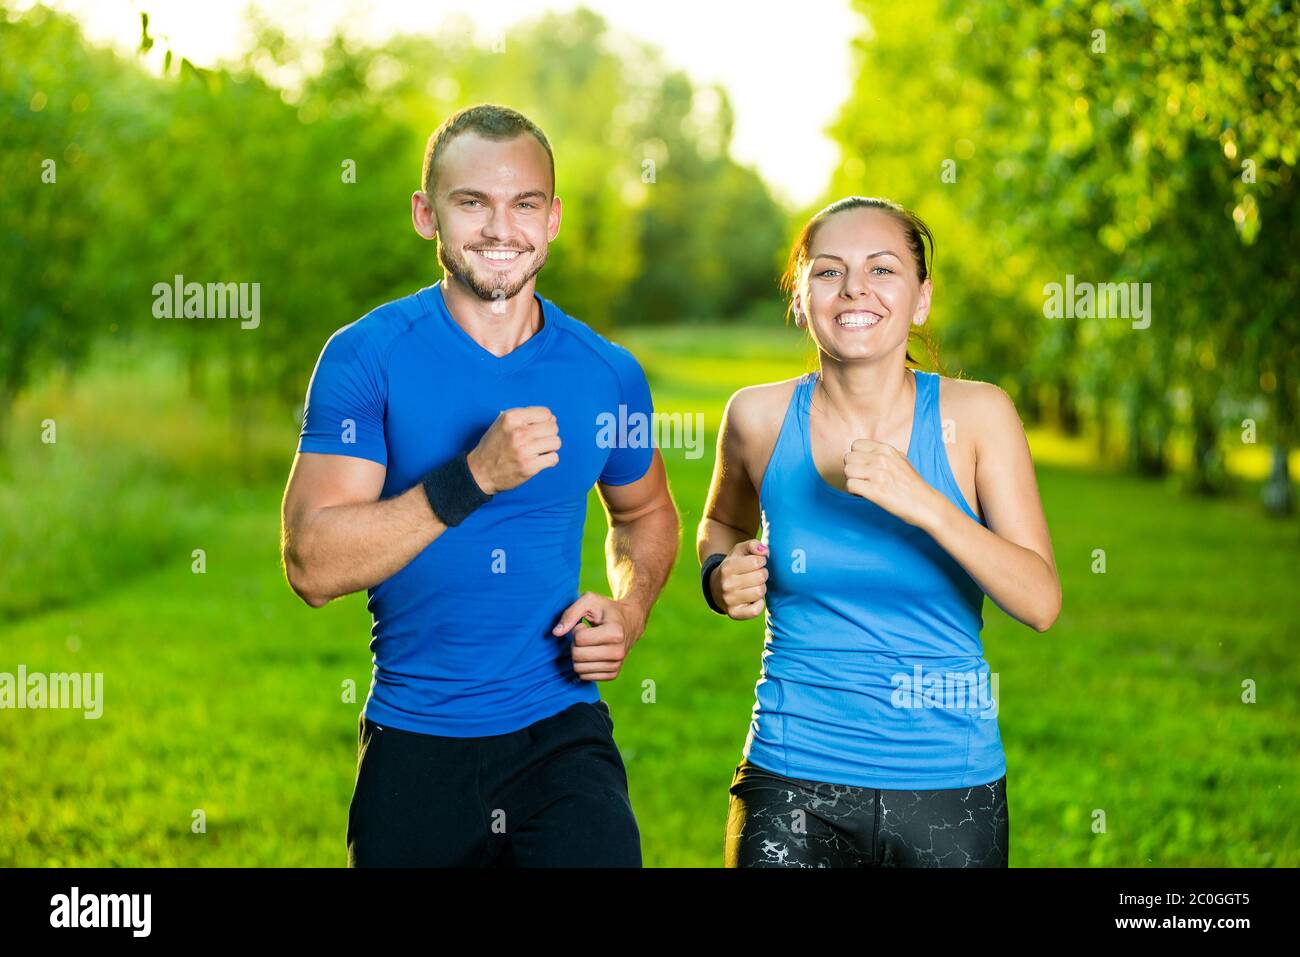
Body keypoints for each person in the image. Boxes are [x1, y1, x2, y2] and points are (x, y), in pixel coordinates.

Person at [280, 103, 679, 867]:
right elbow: (311, 565)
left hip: (563, 736)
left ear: (554, 218)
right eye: (473, 203)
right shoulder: (365, 357)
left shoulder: (608, 373)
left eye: (524, 203)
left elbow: (647, 511)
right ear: (426, 215)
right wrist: (471, 478)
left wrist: (627, 610)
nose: (502, 228)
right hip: (417, 740)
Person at [698, 196, 1061, 867]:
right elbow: (722, 522)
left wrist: (925, 502)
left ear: (921, 299)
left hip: (949, 782)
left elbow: (1040, 601)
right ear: (802, 300)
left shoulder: (979, 416)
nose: (855, 288)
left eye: (882, 269)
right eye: (829, 271)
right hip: (790, 774)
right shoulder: (755, 416)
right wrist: (719, 575)